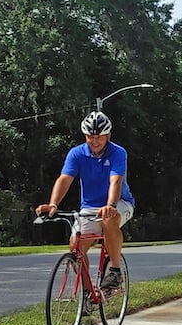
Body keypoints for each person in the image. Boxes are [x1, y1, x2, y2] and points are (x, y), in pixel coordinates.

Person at [36, 111, 135, 293]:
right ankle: (89, 293)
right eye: (90, 136)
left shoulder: (118, 153)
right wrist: (53, 204)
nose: (94, 141)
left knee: (109, 219)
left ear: (108, 136)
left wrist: (111, 206)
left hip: (120, 202)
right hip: (89, 208)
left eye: (99, 137)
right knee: (75, 246)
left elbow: (116, 181)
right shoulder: (76, 154)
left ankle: (114, 271)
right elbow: (64, 179)